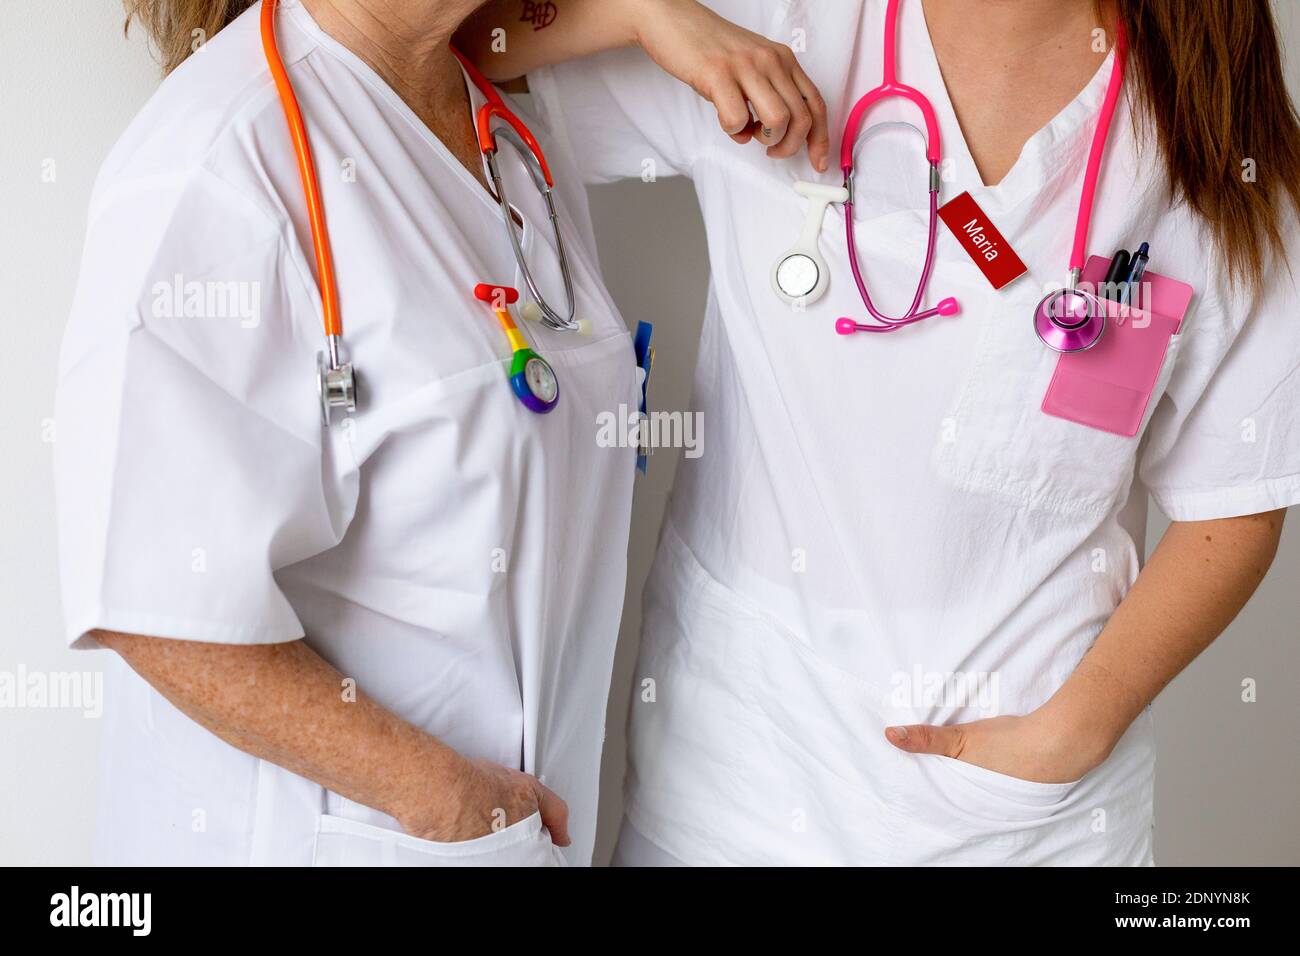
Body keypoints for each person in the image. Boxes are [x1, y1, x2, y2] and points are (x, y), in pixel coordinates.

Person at [460, 0, 1300, 864]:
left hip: (1027, 825)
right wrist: (649, 12)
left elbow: (1232, 505)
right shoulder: (786, 18)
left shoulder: (1214, 133)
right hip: (739, 782)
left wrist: (1074, 730)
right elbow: (457, 41)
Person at [52, 0, 809, 866]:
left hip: (524, 827)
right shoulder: (217, 159)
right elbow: (157, 608)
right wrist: (443, 796)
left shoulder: (501, 121)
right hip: (336, 835)